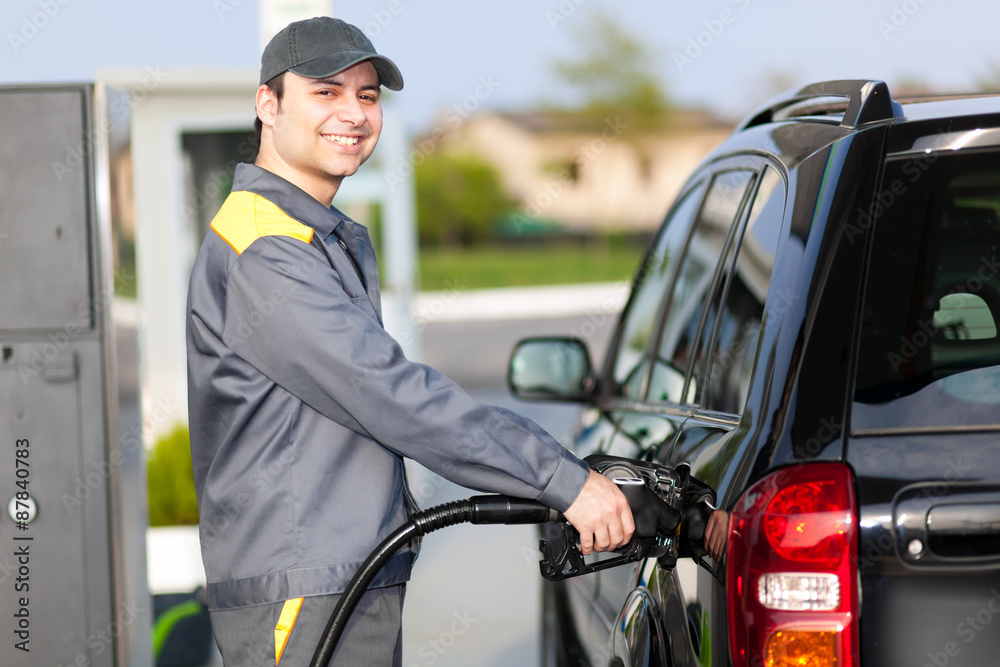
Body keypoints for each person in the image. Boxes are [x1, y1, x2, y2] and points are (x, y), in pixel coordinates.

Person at [185, 16, 634, 667]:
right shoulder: (266, 250)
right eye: (326, 91)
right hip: (305, 592)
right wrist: (563, 480)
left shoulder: (310, 235)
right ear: (268, 104)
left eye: (367, 95)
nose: (353, 113)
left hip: (335, 580)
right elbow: (392, 394)